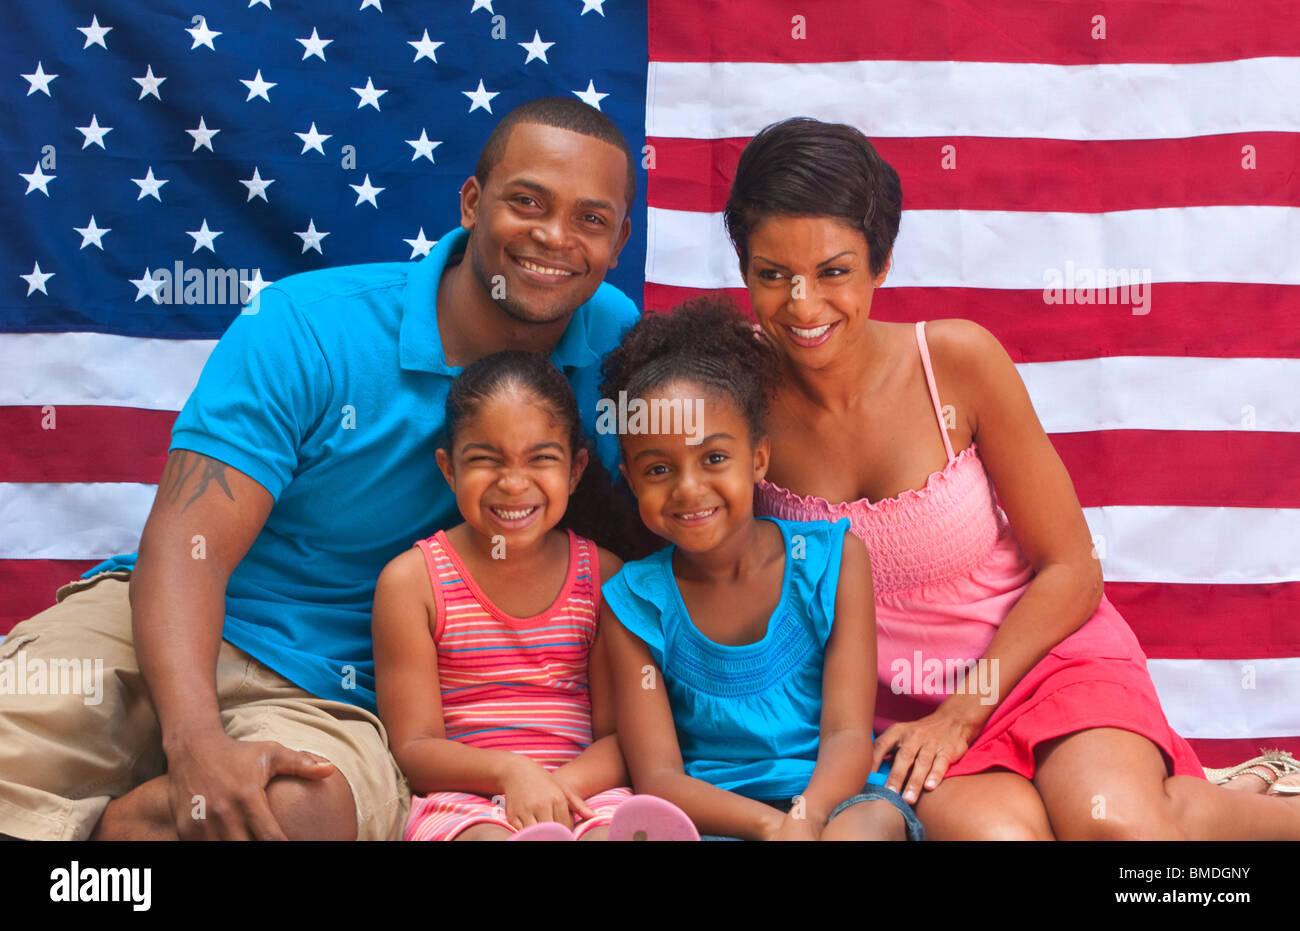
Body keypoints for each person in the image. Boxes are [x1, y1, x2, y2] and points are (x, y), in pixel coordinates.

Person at [0, 97, 643, 841]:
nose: (554, 237)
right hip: (170, 620)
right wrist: (197, 742)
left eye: (590, 219)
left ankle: (112, 831)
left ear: (620, 239)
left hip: (341, 691)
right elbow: (187, 546)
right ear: (472, 203)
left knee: (289, 813)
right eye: (527, 201)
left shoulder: (613, 344)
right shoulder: (303, 324)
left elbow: (694, 479)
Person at [731, 116, 1300, 839]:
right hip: (891, 715)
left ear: (882, 262)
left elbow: (1072, 567)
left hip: (1041, 657)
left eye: (833, 271)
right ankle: (1209, 799)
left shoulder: (957, 362)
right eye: (771, 274)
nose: (802, 304)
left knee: (1120, 830)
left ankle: (1265, 809)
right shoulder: (735, 391)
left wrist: (965, 709)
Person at [598, 299, 925, 841]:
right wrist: (771, 827)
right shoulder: (634, 602)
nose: (688, 488)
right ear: (632, 481)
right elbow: (659, 776)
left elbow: (847, 735)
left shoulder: (833, 562)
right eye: (658, 468)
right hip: (712, 814)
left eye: (714, 458)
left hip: (839, 799)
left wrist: (806, 817)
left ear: (758, 459)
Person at [373, 350, 637, 841]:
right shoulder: (413, 583)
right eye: (485, 460)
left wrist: (554, 790)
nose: (514, 484)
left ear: (576, 470)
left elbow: (621, 736)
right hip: (466, 799)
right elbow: (414, 747)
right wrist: (510, 776)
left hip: (583, 791)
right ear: (448, 469)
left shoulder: (601, 575)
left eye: (541, 459)